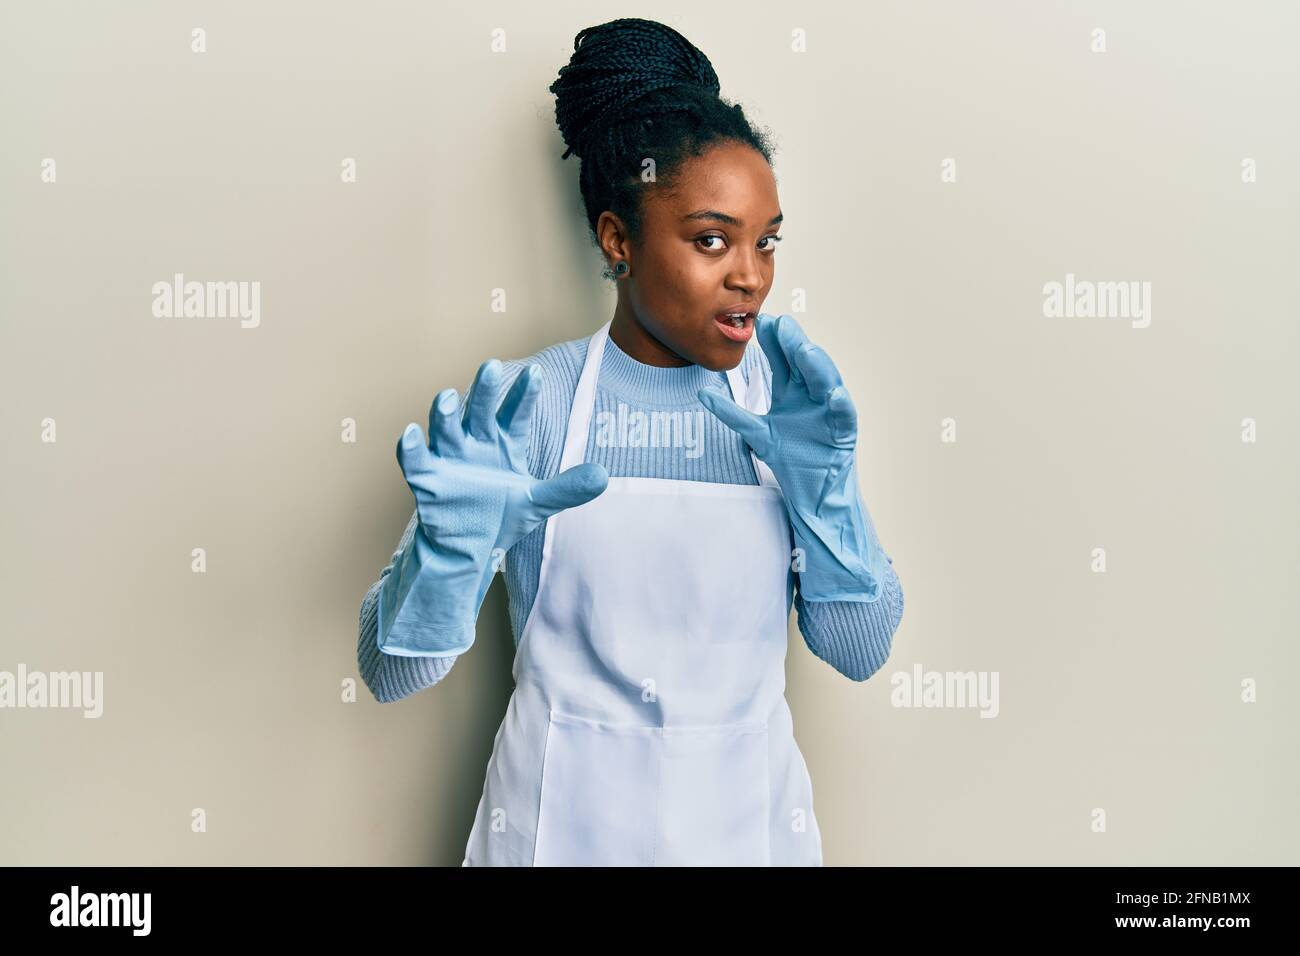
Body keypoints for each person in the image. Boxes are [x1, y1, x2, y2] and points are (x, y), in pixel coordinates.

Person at [356, 17, 904, 867]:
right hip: (551, 837)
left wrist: (826, 499)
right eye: (711, 240)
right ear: (619, 240)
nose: (751, 274)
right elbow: (391, 675)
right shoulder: (532, 408)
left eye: (767, 242)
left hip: (746, 840)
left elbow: (859, 649)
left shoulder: (786, 411)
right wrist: (446, 556)